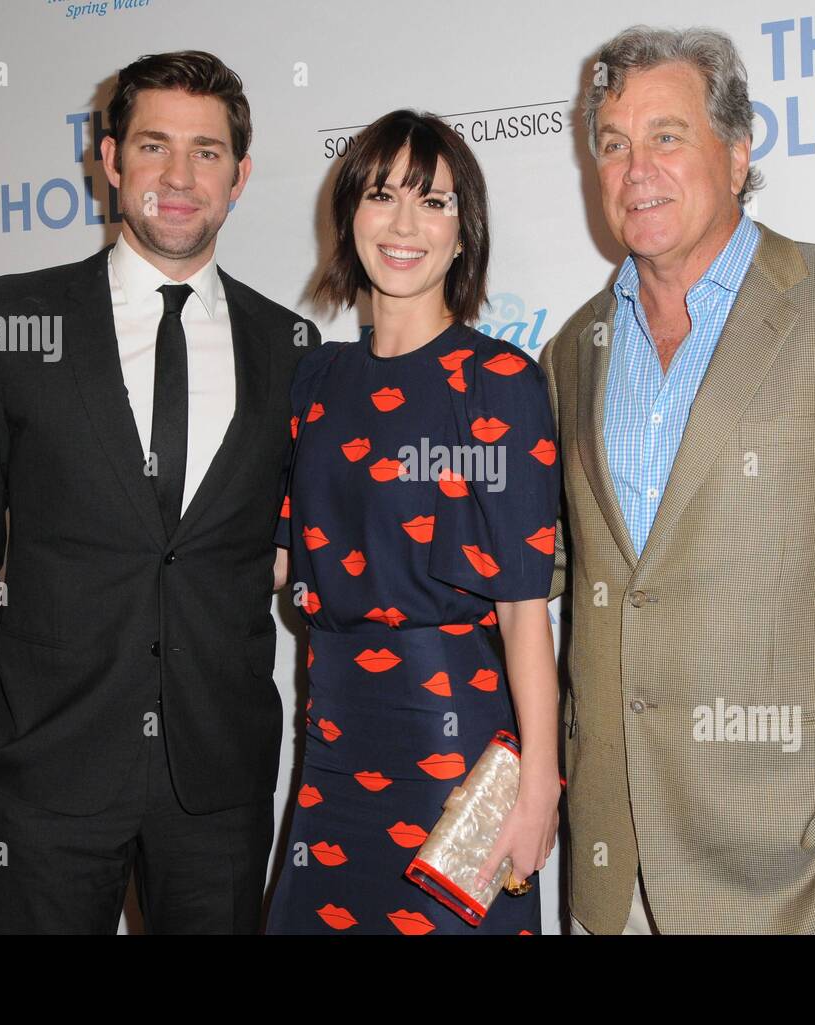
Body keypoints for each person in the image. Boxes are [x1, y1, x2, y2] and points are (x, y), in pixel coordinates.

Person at [540, 25, 815, 934]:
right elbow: (555, 580)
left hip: (814, 871)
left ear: (739, 151)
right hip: (619, 872)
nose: (637, 169)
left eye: (668, 136)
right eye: (615, 144)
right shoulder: (573, 351)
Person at [0, 50, 320, 933]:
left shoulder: (292, 345)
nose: (180, 177)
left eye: (208, 152)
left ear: (240, 176)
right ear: (109, 160)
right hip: (41, 774)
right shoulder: (6, 322)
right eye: (154, 147)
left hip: (220, 784)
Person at [264, 109, 562, 934]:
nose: (403, 225)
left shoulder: (497, 381)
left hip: (451, 756)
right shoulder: (315, 380)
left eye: (433, 203)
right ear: (348, 216)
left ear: (464, 234)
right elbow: (277, 562)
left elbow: (524, 611)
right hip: (329, 743)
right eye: (382, 195)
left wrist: (540, 786)